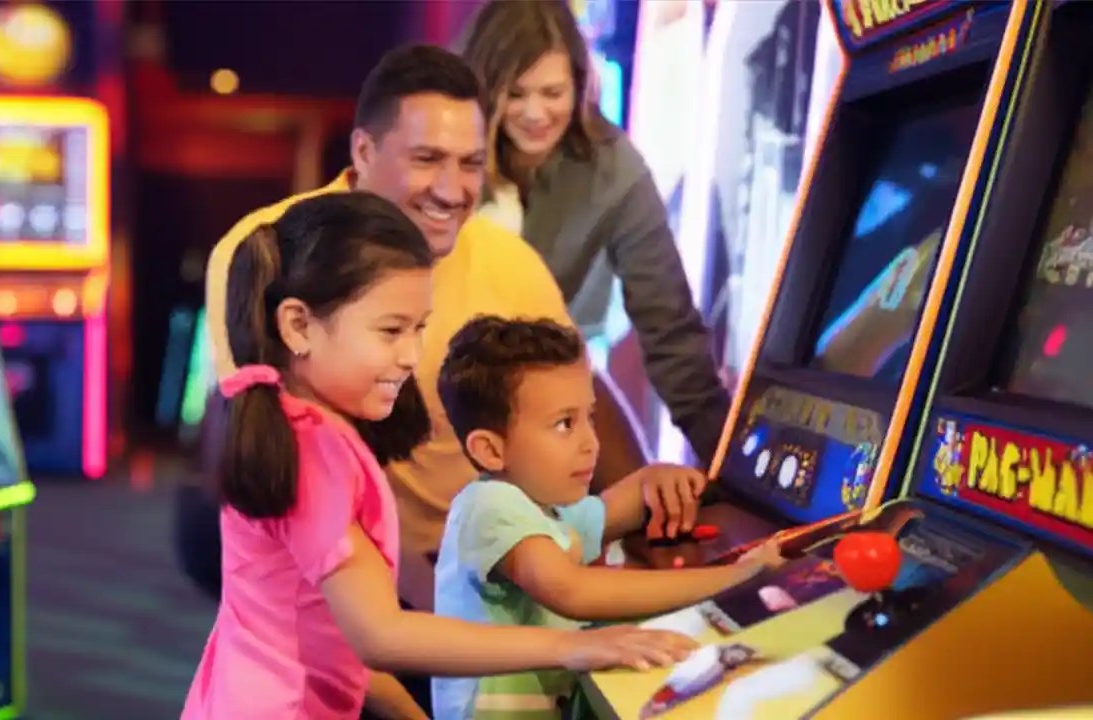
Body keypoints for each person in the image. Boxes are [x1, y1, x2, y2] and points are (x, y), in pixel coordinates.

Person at [192, 44, 707, 715]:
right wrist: (568, 645)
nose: (413, 358)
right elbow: (378, 631)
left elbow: (342, 637)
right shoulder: (304, 410)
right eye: (427, 158)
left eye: (470, 163)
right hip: (413, 619)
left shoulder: (336, 437)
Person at [432, 316, 783, 719]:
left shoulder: (544, 509)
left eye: (590, 417)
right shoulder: (489, 505)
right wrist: (739, 577)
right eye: (565, 424)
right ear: (491, 451)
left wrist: (656, 478)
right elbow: (569, 590)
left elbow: (614, 509)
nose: (590, 443)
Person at [455, 0, 731, 464]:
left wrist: (731, 465)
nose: (536, 113)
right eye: (516, 94)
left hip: (546, 380)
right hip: (434, 381)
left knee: (638, 495)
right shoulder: (448, 153)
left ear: (581, 84)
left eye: (553, 92)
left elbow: (670, 330)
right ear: (484, 88)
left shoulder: (613, 169)